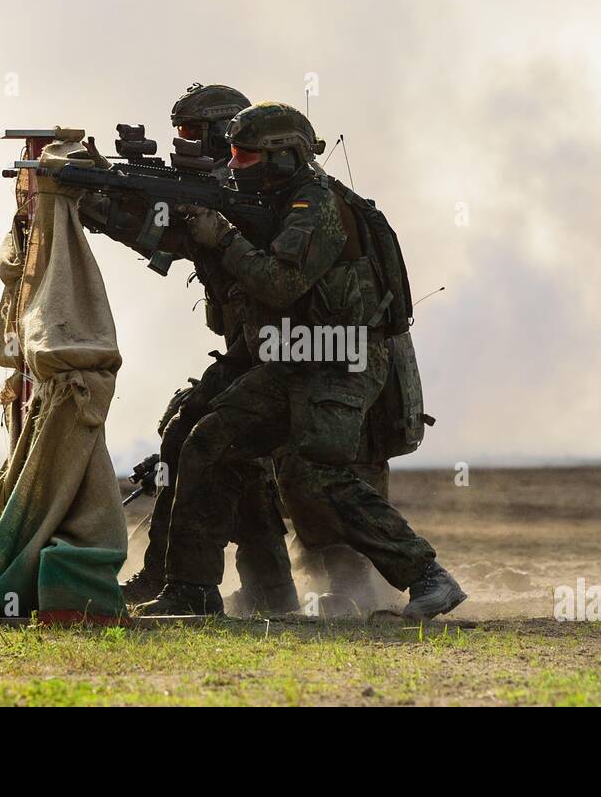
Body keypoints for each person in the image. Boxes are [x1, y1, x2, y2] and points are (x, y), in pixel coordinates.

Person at [139, 102, 466, 620]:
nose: (235, 163)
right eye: (232, 153)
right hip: (296, 356)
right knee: (209, 440)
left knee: (316, 474)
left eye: (246, 155)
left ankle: (428, 577)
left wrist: (221, 237)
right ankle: (192, 590)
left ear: (285, 157)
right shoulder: (278, 200)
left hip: (343, 358)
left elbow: (280, 281)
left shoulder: (316, 206)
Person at [78, 83, 298, 614]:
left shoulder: (269, 198)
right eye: (179, 133)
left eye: (194, 134)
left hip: (294, 358)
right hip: (255, 354)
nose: (185, 144)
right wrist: (104, 207)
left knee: (205, 442)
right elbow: (170, 238)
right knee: (206, 444)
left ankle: (189, 588)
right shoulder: (224, 191)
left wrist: (208, 231)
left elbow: (269, 271)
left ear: (225, 132)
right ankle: (266, 590)